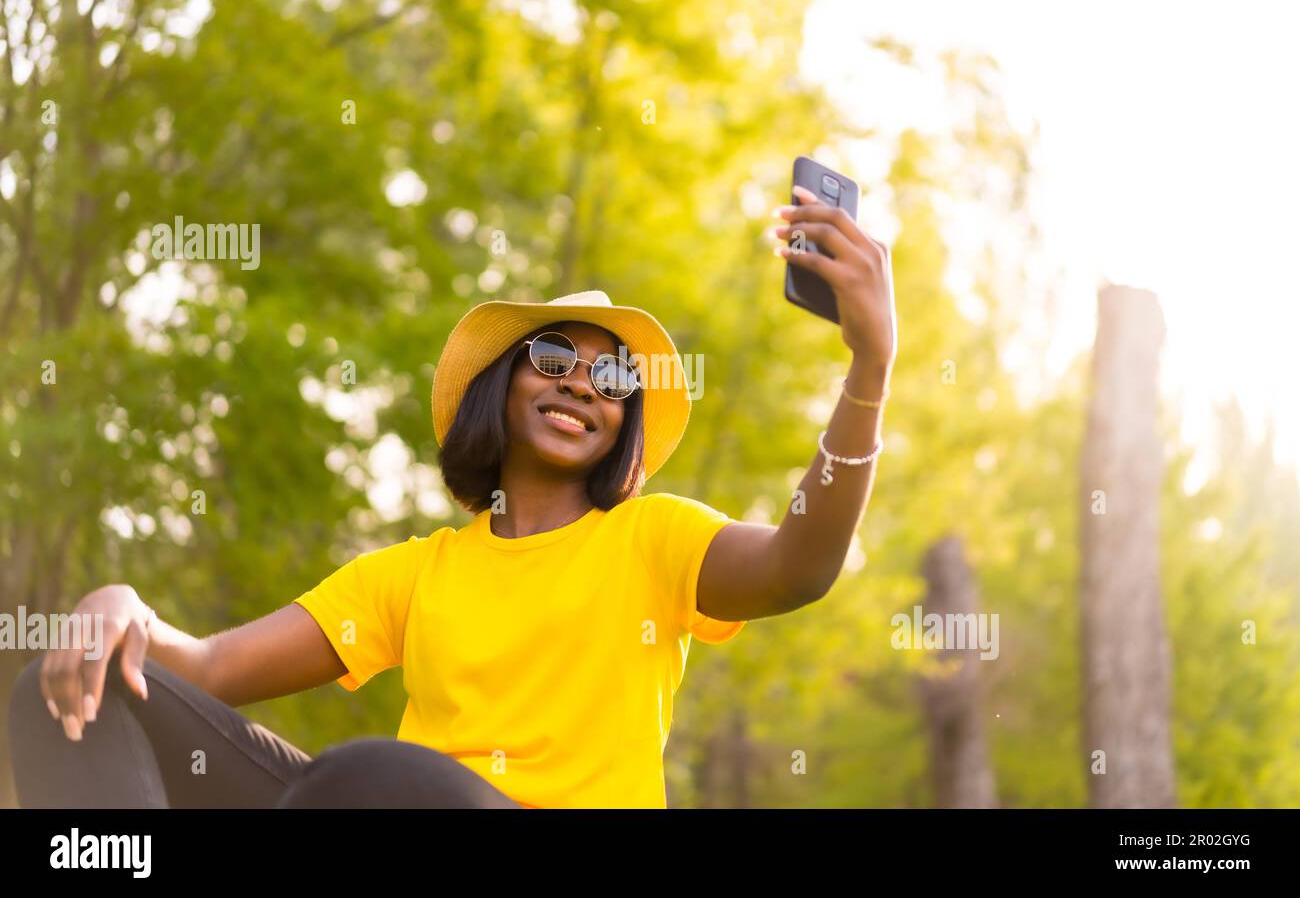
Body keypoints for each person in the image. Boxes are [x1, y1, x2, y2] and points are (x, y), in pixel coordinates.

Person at [9, 185, 897, 808]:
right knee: (67, 691)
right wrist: (121, 608)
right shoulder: (413, 576)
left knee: (373, 779)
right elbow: (203, 671)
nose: (586, 384)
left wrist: (869, 367)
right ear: (501, 388)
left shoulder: (655, 541)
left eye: (614, 374)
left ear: (622, 417)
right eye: (555, 357)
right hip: (380, 803)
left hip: (393, 798)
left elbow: (797, 568)